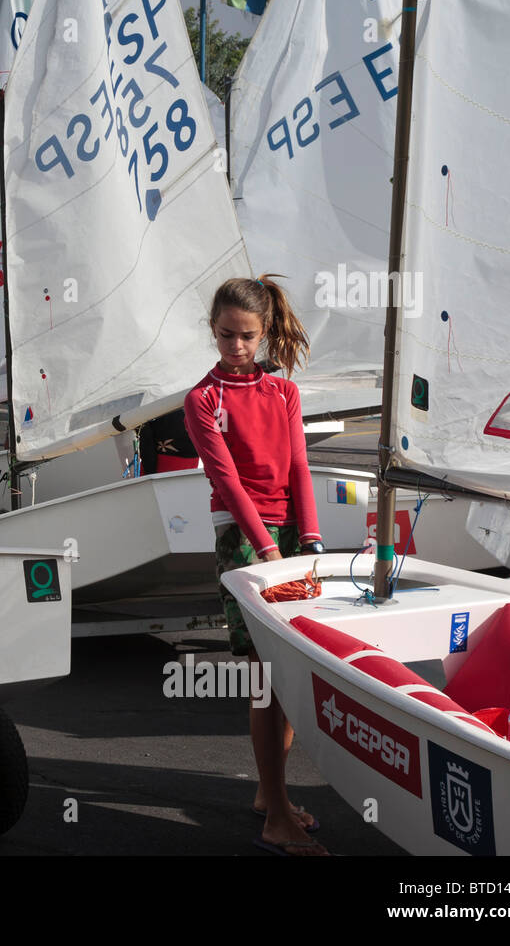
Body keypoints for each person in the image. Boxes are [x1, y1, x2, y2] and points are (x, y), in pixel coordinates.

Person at [183, 274, 329, 857]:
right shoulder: (202, 400)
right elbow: (227, 481)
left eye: (246, 337)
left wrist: (310, 537)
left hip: (290, 530)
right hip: (243, 537)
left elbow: (298, 466)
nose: (236, 348)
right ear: (213, 332)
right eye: (225, 336)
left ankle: (272, 796)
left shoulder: (285, 393)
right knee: (264, 675)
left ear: (264, 332)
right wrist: (266, 550)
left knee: (287, 669)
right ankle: (274, 817)